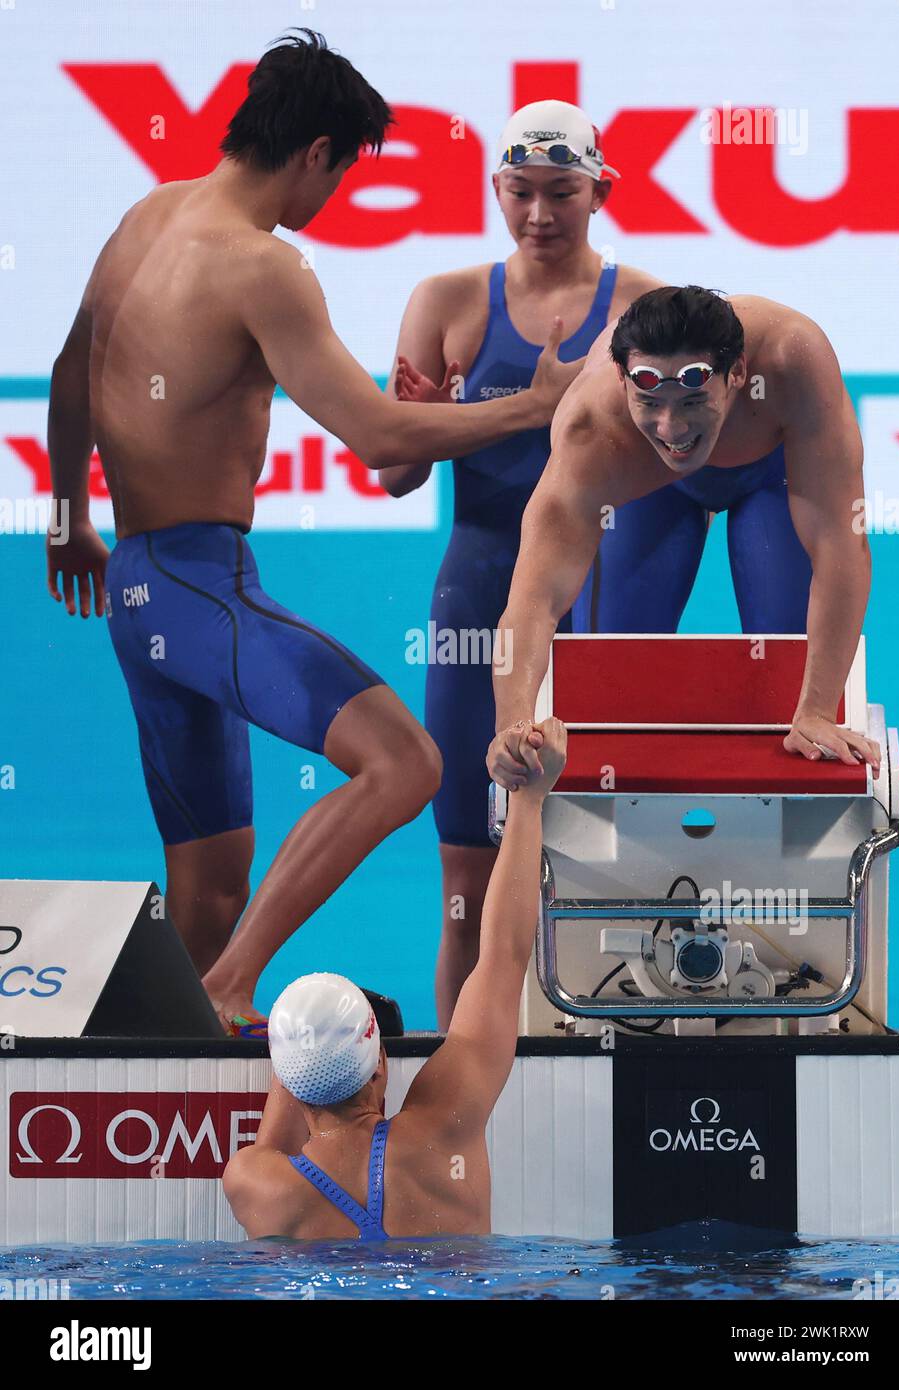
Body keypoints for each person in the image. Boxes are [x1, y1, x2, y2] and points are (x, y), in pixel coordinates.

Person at [43, 30, 577, 1033]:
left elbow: (72, 371)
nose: (329, 203)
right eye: (340, 176)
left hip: (137, 589)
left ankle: (170, 1075)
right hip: (200, 587)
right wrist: (528, 406)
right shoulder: (263, 266)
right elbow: (376, 432)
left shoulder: (146, 215)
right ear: (319, 153)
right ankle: (232, 986)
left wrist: (71, 520)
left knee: (206, 888)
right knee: (406, 763)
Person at [382, 100, 661, 1026]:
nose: (538, 215)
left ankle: (597, 1053)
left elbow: (684, 453)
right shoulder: (446, 300)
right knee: (466, 860)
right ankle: (460, 1075)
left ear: (601, 191)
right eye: (519, 192)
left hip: (600, 578)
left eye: (561, 193)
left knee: (599, 843)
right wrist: (427, 420)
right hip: (479, 582)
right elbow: (392, 472)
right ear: (495, 188)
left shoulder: (641, 307)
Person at [487, 284, 882, 797]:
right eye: (649, 401)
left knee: (792, 677)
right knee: (610, 694)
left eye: (693, 401)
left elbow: (840, 548)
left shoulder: (793, 360)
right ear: (623, 381)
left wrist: (817, 711)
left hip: (773, 479)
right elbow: (533, 601)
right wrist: (513, 726)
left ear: (737, 374)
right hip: (649, 488)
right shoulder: (594, 431)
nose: (672, 427)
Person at [222, 718, 567, 1240]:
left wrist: (298, 1054)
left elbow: (278, 1135)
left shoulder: (257, 1185)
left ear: (287, 1081)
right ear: (380, 1064)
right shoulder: (444, 1129)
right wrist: (529, 799)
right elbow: (504, 956)